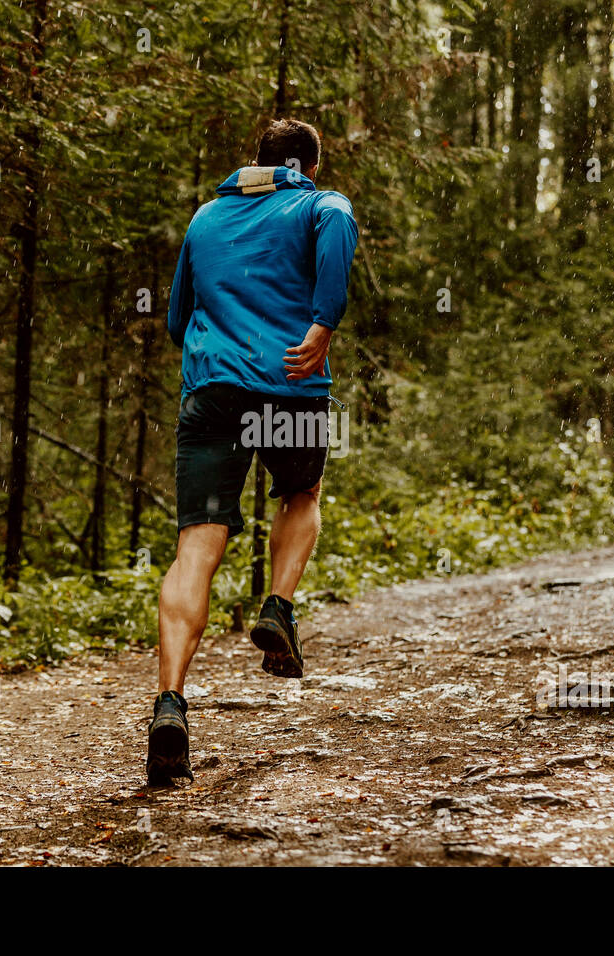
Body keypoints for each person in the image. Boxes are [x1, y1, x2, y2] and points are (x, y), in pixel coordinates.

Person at [147, 118, 358, 785]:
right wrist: (323, 321)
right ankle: (279, 606)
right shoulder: (322, 203)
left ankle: (170, 701)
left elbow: (178, 320)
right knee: (301, 495)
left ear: (258, 162)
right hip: (291, 388)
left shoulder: (205, 218)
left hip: (212, 393)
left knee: (196, 546)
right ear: (309, 167)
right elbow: (338, 228)